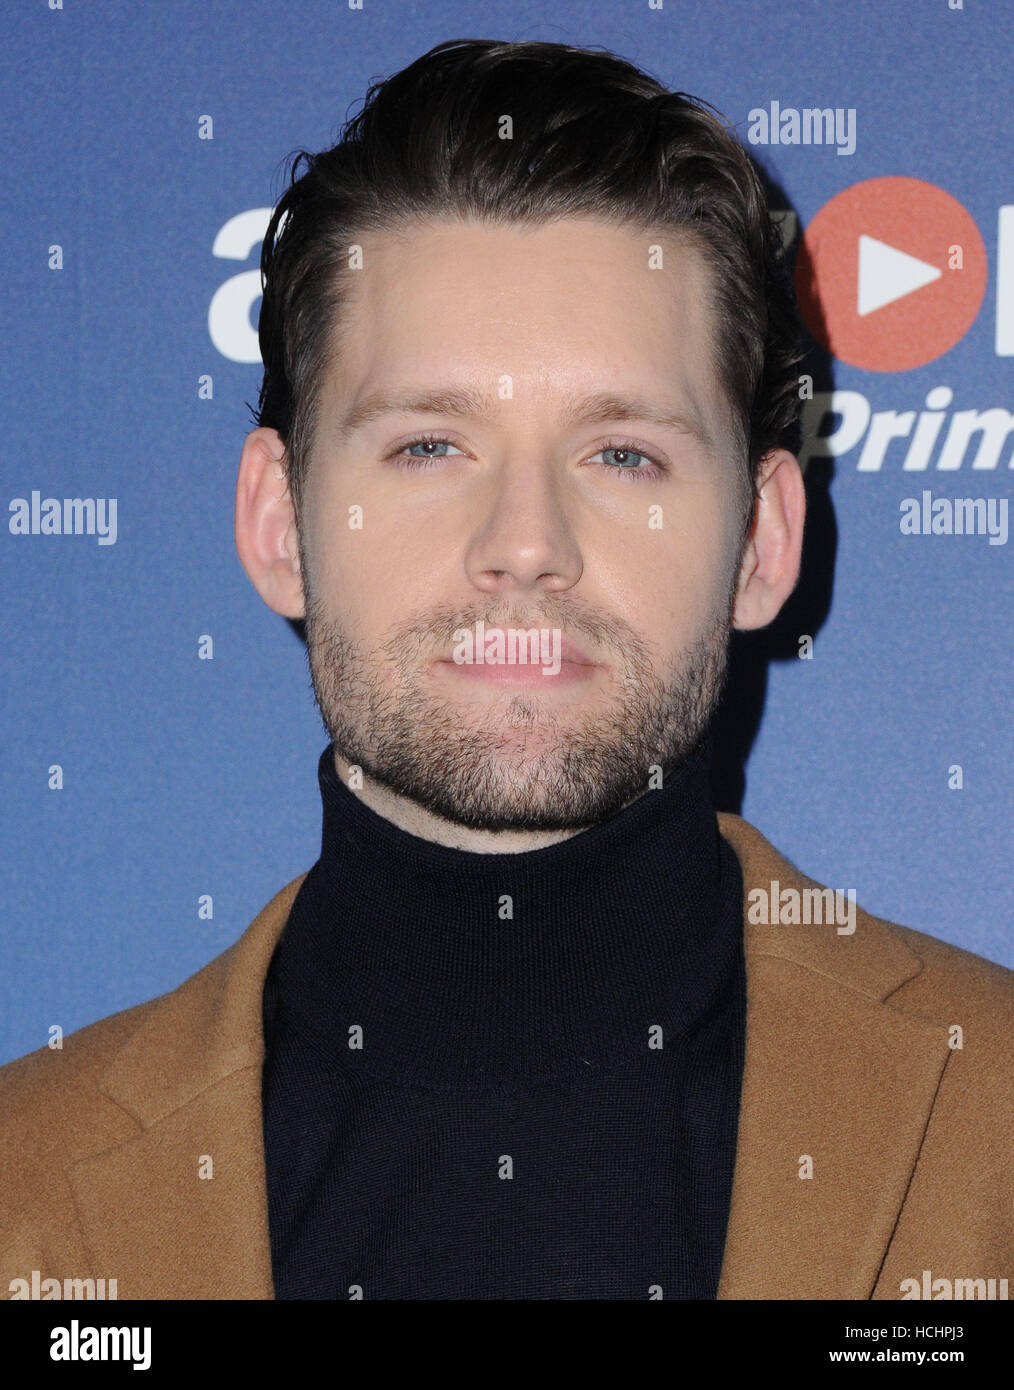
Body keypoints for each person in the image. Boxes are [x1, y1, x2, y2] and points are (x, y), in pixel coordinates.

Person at [2, 38, 1011, 1302]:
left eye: (624, 454)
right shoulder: (22, 1189)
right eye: (430, 445)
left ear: (762, 542)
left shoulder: (996, 1129)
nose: (524, 545)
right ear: (278, 525)